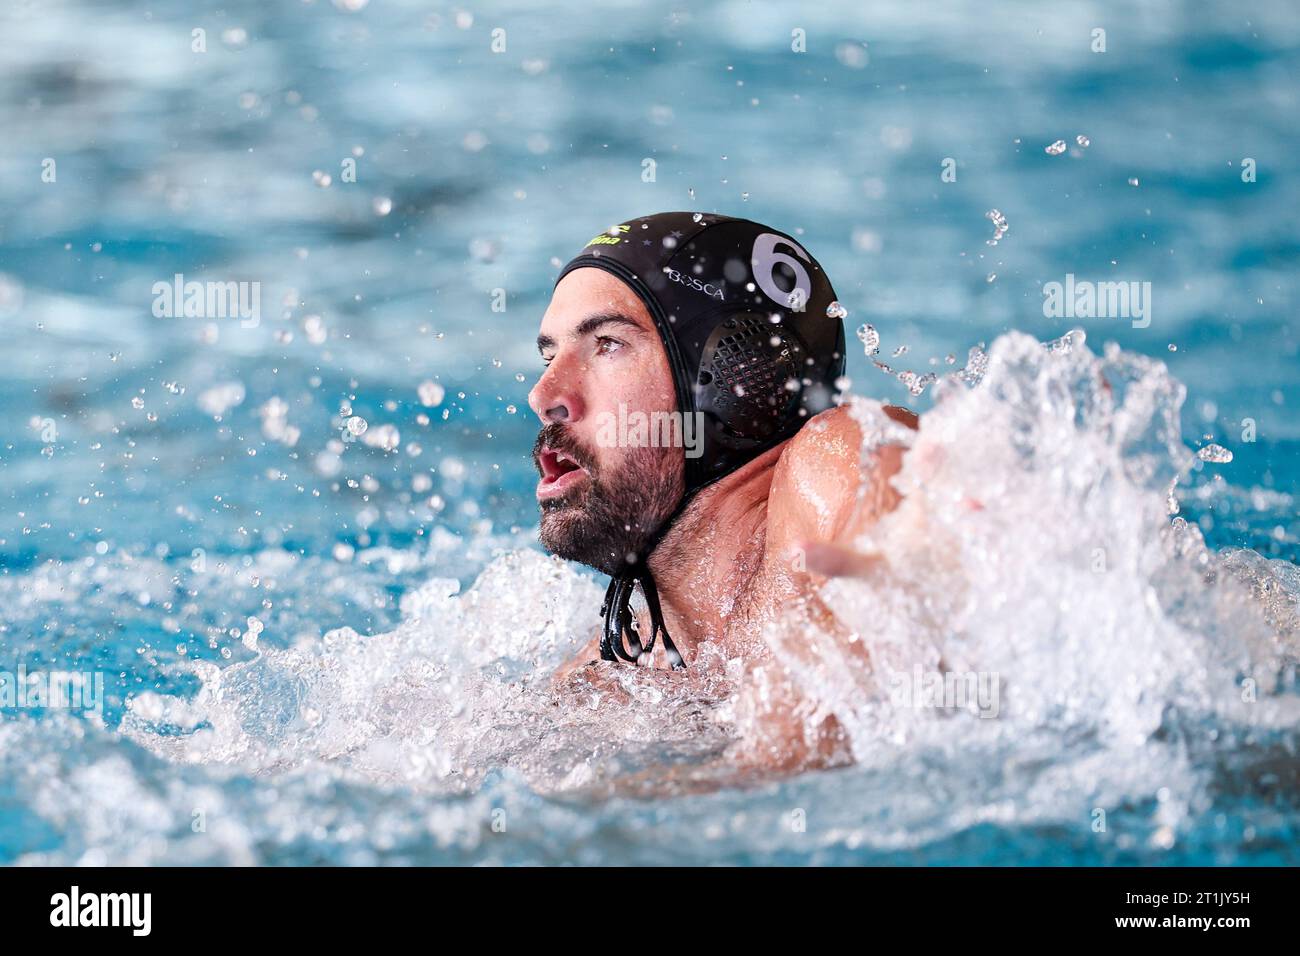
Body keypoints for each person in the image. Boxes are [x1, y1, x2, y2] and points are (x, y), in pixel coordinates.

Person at [528, 212, 917, 685]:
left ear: (736, 381)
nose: (544, 397)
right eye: (550, 357)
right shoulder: (613, 666)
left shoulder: (844, 454)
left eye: (607, 344)